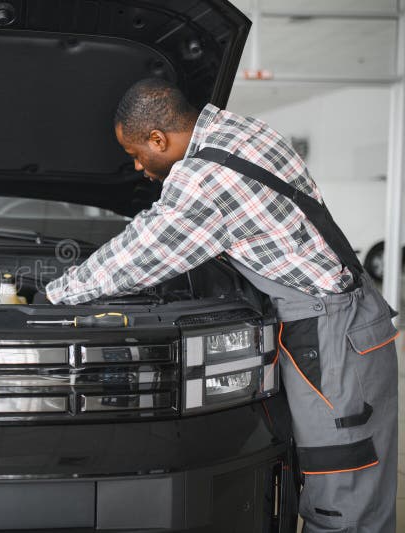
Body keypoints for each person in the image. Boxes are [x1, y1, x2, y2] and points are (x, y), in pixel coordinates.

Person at [46, 78, 399, 532]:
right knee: (354, 473)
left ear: (160, 138)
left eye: (137, 153)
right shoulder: (241, 130)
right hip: (347, 318)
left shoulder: (204, 177)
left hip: (331, 331)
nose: (136, 166)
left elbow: (142, 251)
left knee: (342, 482)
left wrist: (54, 295)